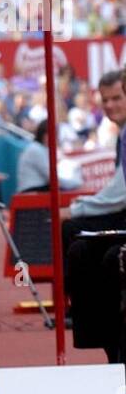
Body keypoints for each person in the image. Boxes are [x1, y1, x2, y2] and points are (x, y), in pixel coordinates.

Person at [61, 70, 126, 288]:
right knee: (75, 235)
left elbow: (120, 194)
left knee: (73, 229)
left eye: (117, 98)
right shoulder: (121, 134)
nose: (109, 105)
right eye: (105, 99)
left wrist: (77, 208)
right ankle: (77, 307)